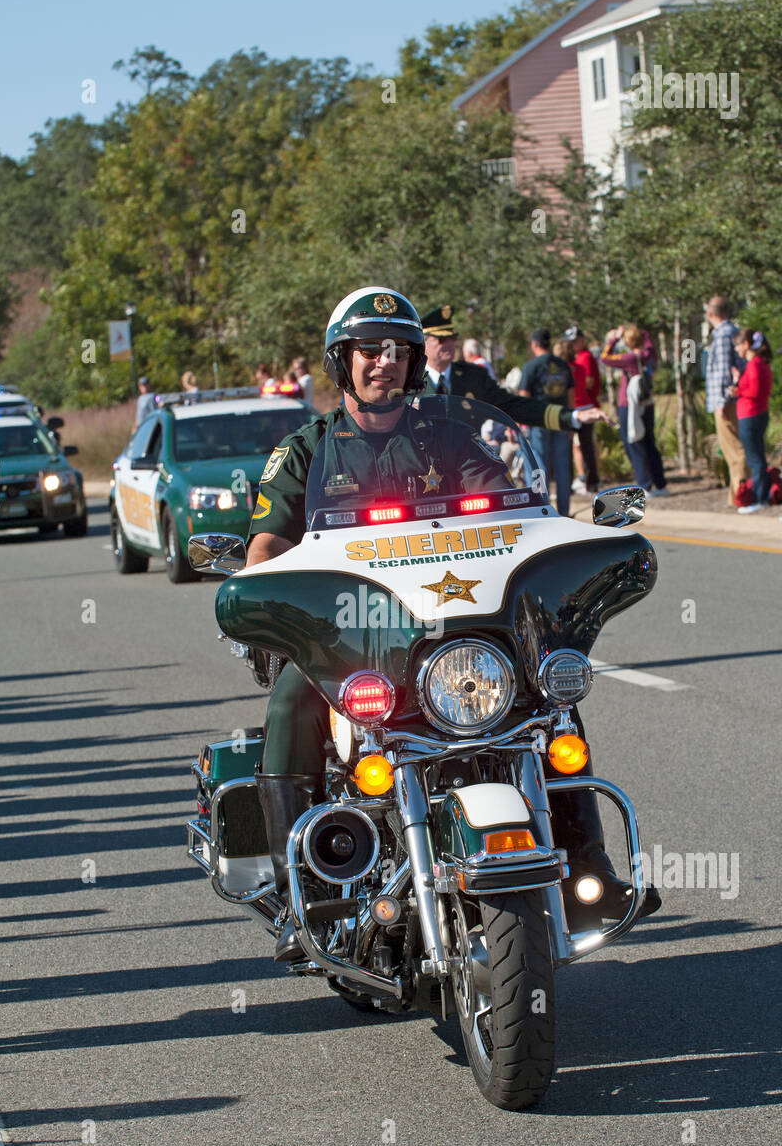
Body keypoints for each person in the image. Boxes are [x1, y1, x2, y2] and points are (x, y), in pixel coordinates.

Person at [245, 285, 656, 962]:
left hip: (461, 633)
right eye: (368, 351)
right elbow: (265, 545)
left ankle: (589, 869)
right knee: (291, 698)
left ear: (414, 361)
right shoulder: (308, 450)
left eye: (398, 351)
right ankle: (306, 900)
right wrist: (262, 593)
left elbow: (516, 515)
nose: (385, 363)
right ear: (340, 361)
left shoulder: (447, 435)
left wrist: (567, 538)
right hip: (356, 637)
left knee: (549, 698)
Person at [419, 305, 604, 439]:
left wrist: (572, 415)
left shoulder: (474, 377)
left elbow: (514, 406)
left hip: (466, 471)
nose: (450, 344)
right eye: (442, 340)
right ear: (424, 343)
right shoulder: (409, 380)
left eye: (452, 338)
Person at [600, 324, 667, 496]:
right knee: (649, 443)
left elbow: (605, 357)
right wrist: (640, 330)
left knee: (634, 442)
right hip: (647, 404)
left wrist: (615, 337)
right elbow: (649, 340)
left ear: (629, 342)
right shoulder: (649, 354)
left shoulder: (629, 358)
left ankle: (644, 485)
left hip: (630, 406)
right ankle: (660, 484)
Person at [519, 329, 574, 518]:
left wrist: (521, 424)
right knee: (562, 467)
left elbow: (523, 397)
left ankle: (543, 510)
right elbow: (570, 395)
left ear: (534, 344)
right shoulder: (562, 365)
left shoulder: (531, 366)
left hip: (539, 420)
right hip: (560, 419)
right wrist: (571, 420)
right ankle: (565, 511)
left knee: (538, 466)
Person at [705, 296, 748, 505]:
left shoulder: (722, 335)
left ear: (711, 313)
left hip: (726, 401)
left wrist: (721, 401)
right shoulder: (731, 332)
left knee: (733, 449)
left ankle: (743, 494)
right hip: (731, 398)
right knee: (734, 447)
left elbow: (723, 371)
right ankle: (738, 495)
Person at [727, 329, 773, 513]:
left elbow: (753, 391)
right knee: (759, 457)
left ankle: (759, 499)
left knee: (755, 459)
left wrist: (736, 391)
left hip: (750, 415)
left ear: (746, 345)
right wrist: (738, 380)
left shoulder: (754, 365)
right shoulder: (759, 364)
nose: (736, 349)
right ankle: (764, 494)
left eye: (737, 345)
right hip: (758, 414)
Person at [563, 327, 601, 494]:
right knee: (579, 447)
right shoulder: (576, 361)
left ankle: (588, 481)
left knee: (583, 446)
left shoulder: (583, 358)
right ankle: (586, 480)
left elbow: (589, 383)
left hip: (580, 407)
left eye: (575, 341)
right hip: (581, 406)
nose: (573, 345)